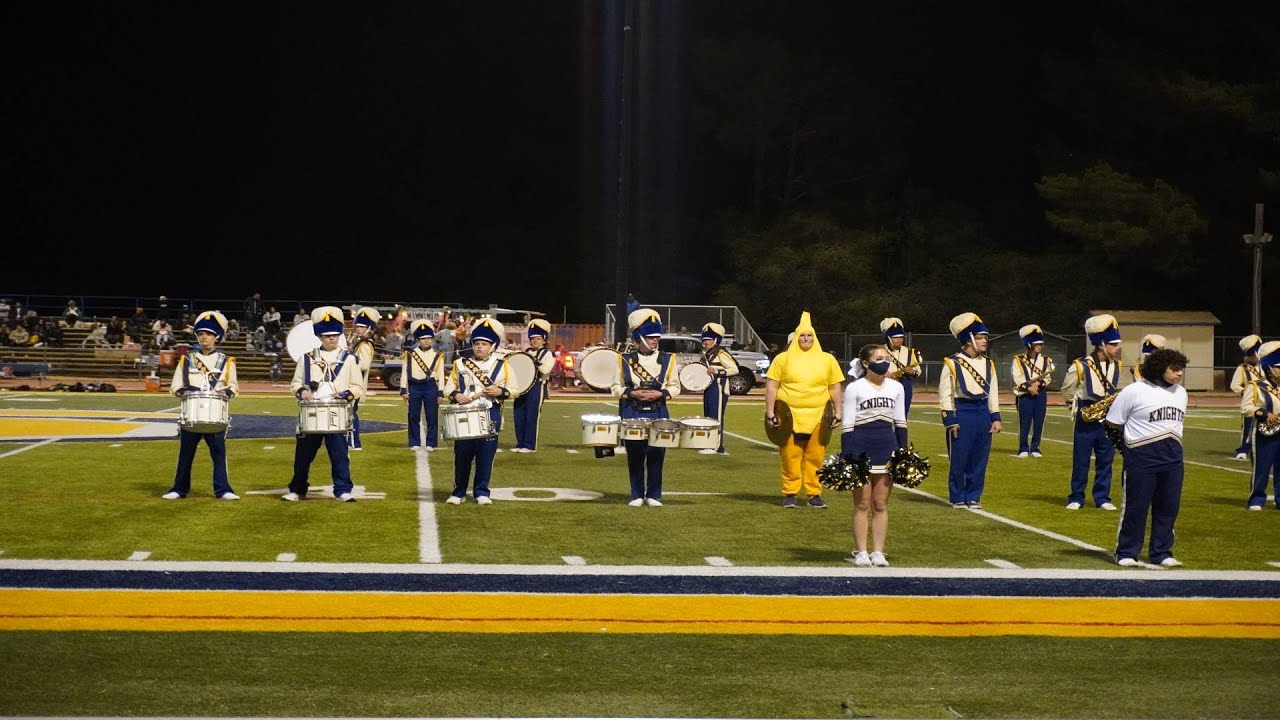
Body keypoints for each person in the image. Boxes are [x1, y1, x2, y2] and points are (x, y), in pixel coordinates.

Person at [1105, 348, 1189, 567]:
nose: (1180, 374)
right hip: (1141, 459)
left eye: (1182, 370)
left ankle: (1161, 552)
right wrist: (1129, 451)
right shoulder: (1134, 391)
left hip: (1173, 460)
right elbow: (1113, 424)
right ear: (1160, 369)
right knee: (1136, 508)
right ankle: (1126, 552)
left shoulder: (1181, 392)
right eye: (1175, 369)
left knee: (1168, 508)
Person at [764, 311, 845, 509]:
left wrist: (838, 411)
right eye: (802, 335)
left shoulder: (827, 360)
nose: (806, 339)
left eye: (809, 335)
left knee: (815, 457)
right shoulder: (782, 359)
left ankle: (813, 493)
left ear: (814, 337)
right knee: (790, 456)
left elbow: (834, 387)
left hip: (818, 415)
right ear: (796, 337)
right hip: (789, 415)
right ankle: (790, 493)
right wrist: (770, 411)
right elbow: (772, 385)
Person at [283, 306, 364, 502]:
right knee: (303, 456)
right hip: (311, 414)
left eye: (335, 335)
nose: (332, 339)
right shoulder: (307, 358)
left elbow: (358, 387)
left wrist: (346, 394)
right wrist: (302, 391)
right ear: (319, 336)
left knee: (339, 455)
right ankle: (297, 489)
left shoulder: (350, 359)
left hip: (337, 414)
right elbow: (295, 383)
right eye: (327, 336)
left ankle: (343, 489)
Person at [842, 344, 908, 567]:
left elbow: (900, 422)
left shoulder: (897, 388)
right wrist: (847, 454)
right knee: (862, 503)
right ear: (866, 363)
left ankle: (878, 552)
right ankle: (861, 552)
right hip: (860, 446)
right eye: (879, 357)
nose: (884, 360)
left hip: (886, 446)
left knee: (880, 504)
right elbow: (848, 423)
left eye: (886, 357)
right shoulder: (855, 388)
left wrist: (902, 452)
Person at [163, 311, 240, 501]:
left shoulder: (227, 361)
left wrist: (224, 393)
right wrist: (185, 392)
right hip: (192, 413)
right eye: (201, 333)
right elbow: (175, 386)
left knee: (218, 454)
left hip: (215, 414)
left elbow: (234, 387)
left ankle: (223, 490)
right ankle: (179, 489)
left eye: (209, 334)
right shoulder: (186, 359)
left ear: (217, 337)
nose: (204, 337)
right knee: (186, 454)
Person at [612, 308, 682, 506]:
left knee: (656, 452)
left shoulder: (669, 360)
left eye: (656, 337)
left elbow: (675, 386)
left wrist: (662, 393)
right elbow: (615, 386)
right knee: (634, 453)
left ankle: (653, 494)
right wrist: (631, 393)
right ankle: (636, 494)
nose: (655, 340)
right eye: (650, 337)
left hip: (659, 408)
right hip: (632, 409)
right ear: (639, 337)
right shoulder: (624, 359)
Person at [442, 317, 512, 505]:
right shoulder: (460, 364)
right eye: (476, 344)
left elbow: (515, 389)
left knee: (485, 455)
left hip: (490, 413)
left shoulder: (502, 364)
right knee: (462, 455)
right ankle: (458, 492)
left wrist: (500, 391)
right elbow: (448, 388)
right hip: (465, 413)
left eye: (484, 344)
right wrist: (456, 395)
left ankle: (482, 492)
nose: (479, 347)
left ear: (493, 346)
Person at [938, 312, 1002, 509]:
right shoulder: (952, 363)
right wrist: (950, 419)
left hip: (982, 411)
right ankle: (957, 495)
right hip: (962, 411)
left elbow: (992, 392)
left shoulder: (988, 363)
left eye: (985, 338)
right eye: (980, 337)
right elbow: (945, 394)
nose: (985, 341)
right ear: (969, 339)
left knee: (979, 457)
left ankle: (974, 495)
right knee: (959, 457)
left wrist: (995, 417)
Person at [1061, 314, 1124, 511]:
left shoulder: (1116, 366)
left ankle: (1102, 498)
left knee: (1106, 460)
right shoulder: (1081, 365)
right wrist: (1076, 407)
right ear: (1101, 344)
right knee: (1081, 461)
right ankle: (1076, 497)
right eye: (1113, 344)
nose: (1117, 348)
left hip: (1108, 420)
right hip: (1087, 418)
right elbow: (1067, 389)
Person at [1243, 340, 1280, 510]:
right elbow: (1246, 408)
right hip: (1265, 433)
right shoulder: (1257, 386)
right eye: (1278, 366)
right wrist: (1264, 413)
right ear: (1269, 367)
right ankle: (1256, 499)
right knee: (1262, 467)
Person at [1011, 324, 1055, 458]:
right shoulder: (1018, 360)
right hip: (1024, 394)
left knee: (1039, 421)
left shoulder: (1046, 360)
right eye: (1037, 344)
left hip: (1040, 394)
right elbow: (1017, 377)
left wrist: (1038, 385)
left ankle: (1035, 447)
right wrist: (1029, 388)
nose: (1040, 346)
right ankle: (1023, 448)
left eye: (1041, 343)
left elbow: (1048, 378)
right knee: (1024, 422)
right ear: (1029, 344)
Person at [400, 319, 445, 451]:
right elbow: (404, 371)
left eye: (429, 338)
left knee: (432, 415)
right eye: (423, 338)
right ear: (418, 339)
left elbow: (441, 375)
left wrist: (440, 392)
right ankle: (414, 442)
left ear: (432, 339)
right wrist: (403, 389)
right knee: (413, 415)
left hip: (431, 386)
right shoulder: (409, 354)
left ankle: (431, 443)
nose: (426, 341)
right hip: (414, 386)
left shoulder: (438, 355)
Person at [513, 319, 556, 453]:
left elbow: (545, 370)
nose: (535, 341)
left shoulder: (548, 354)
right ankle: (520, 443)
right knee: (519, 415)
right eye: (532, 339)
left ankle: (530, 445)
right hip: (522, 387)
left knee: (532, 416)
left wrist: (533, 360)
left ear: (544, 340)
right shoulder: (526, 351)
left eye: (538, 339)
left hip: (537, 386)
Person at [698, 322, 740, 455]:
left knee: (716, 417)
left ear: (716, 340)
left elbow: (734, 369)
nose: (705, 342)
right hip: (709, 386)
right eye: (704, 340)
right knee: (708, 416)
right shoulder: (706, 354)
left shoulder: (721, 353)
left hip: (719, 386)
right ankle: (708, 444)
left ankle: (717, 447)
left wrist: (716, 370)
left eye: (708, 339)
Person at [347, 307, 382, 451]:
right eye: (358, 326)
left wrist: (348, 357)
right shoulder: (360, 343)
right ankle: (351, 441)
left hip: (356, 383)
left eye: (362, 326)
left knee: (351, 414)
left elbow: (363, 364)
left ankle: (354, 443)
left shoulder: (366, 345)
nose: (358, 329)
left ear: (369, 328)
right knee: (349, 413)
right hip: (352, 382)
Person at [878, 317, 923, 416]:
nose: (899, 339)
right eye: (895, 337)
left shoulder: (909, 352)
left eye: (901, 337)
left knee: (902, 415)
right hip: (885, 385)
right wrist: (882, 372)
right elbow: (870, 368)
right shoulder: (879, 351)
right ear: (888, 337)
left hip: (905, 384)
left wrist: (913, 372)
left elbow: (918, 370)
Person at [1231, 335, 1265, 461]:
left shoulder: (1266, 366)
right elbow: (1234, 385)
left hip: (1268, 401)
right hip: (1251, 402)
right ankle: (1244, 449)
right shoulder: (1243, 368)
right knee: (1248, 427)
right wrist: (1246, 392)